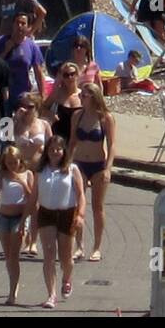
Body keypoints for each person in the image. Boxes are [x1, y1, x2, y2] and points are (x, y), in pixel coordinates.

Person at [36, 135, 85, 308]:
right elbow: (34, 196)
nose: (55, 152)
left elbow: (80, 194)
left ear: (64, 151)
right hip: (46, 214)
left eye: (58, 149)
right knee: (49, 255)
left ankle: (67, 278)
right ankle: (52, 295)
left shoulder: (72, 169)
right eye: (51, 149)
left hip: (67, 213)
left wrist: (80, 215)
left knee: (66, 258)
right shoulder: (41, 170)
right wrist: (26, 219)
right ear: (46, 152)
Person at [69, 83, 116, 263]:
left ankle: (97, 247)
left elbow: (112, 145)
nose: (81, 98)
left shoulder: (105, 118)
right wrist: (66, 163)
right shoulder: (77, 116)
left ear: (93, 97)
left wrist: (108, 169)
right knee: (76, 205)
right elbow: (72, 141)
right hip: (79, 163)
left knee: (98, 207)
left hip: (98, 164)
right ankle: (79, 245)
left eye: (84, 95)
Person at [0, 145, 36, 305]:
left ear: (20, 161)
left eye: (14, 162)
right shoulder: (2, 174)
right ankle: (12, 281)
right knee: (8, 256)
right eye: (8, 162)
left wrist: (21, 182)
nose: (12, 165)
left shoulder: (28, 174)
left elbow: (32, 197)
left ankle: (13, 291)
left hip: (20, 218)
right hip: (3, 217)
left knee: (14, 256)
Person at [0, 12, 47, 116]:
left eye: (23, 23)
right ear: (13, 24)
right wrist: (6, 50)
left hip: (23, 96)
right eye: (17, 23)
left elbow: (38, 72)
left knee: (22, 128)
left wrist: (42, 95)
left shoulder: (32, 46)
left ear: (28, 27)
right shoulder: (2, 41)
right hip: (3, 95)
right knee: (6, 128)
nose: (20, 26)